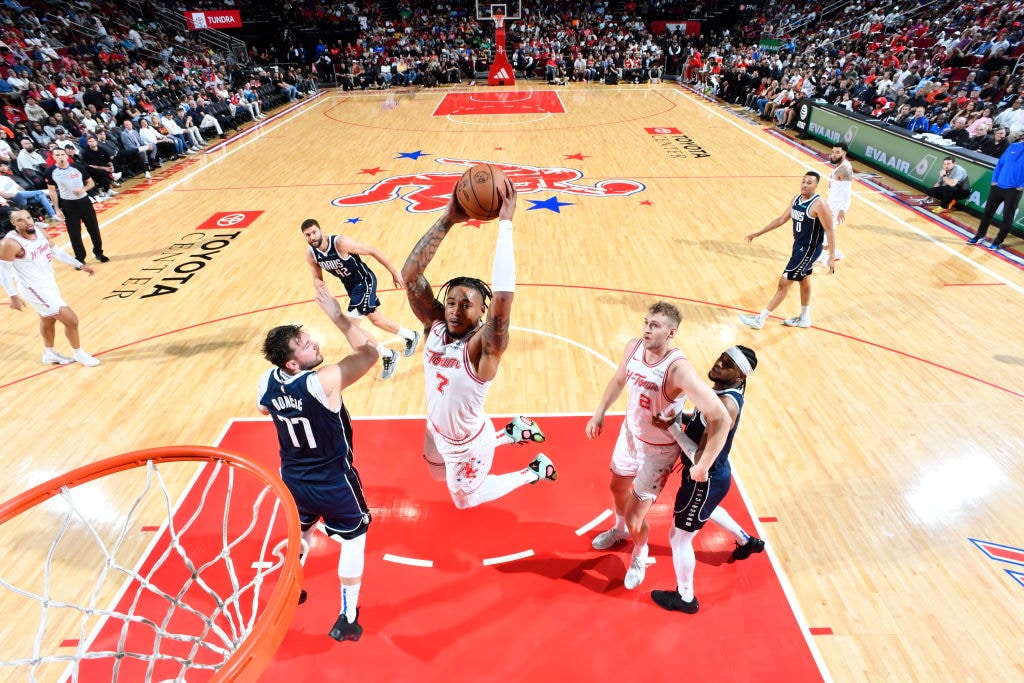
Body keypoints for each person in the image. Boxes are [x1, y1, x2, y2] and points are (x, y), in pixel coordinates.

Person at [400, 181, 555, 510]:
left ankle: (534, 470)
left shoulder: (484, 346)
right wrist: (447, 219)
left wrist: (505, 226)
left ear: (482, 312)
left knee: (463, 500)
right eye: (451, 302)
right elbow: (410, 274)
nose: (455, 310)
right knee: (436, 475)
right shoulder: (436, 326)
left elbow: (502, 297)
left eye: (466, 305)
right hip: (438, 428)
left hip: (468, 444)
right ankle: (513, 433)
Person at [256, 282, 381, 642]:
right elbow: (371, 353)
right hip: (333, 481)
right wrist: (341, 319)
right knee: (355, 540)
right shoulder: (323, 382)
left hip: (293, 478)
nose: (316, 344)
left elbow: (263, 408)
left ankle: (289, 591)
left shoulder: (268, 379)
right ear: (293, 363)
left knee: (303, 531)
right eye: (307, 345)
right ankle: (347, 615)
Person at [585, 302, 731, 590]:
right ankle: (619, 531)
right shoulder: (633, 347)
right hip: (630, 435)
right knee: (616, 488)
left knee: (635, 518)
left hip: (658, 452)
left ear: (671, 332)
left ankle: (640, 552)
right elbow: (618, 380)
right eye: (646, 322)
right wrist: (599, 411)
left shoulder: (678, 369)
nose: (647, 329)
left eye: (655, 326)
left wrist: (702, 465)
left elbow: (721, 418)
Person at [650, 346, 764, 614]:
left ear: (740, 376)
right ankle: (748, 542)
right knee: (707, 511)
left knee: (678, 538)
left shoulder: (726, 404)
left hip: (705, 478)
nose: (719, 365)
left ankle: (685, 598)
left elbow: (700, 455)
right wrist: (682, 417)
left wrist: (673, 428)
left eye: (727, 364)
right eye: (720, 358)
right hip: (716, 477)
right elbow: (703, 421)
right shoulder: (725, 393)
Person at [302, 218, 414, 379]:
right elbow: (317, 277)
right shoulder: (311, 254)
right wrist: (319, 285)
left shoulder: (340, 243)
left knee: (351, 326)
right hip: (351, 287)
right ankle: (411, 336)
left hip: (364, 281)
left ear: (320, 231)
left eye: (314, 232)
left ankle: (387, 354)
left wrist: (395, 272)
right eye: (307, 235)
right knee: (377, 320)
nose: (312, 237)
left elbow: (372, 250)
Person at [0, 209, 101, 366]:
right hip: (33, 288)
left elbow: (56, 252)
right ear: (13, 223)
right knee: (71, 320)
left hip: (49, 283)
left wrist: (79, 265)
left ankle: (49, 353)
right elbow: (3, 272)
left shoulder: (39, 232)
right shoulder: (10, 243)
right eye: (20, 220)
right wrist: (12, 295)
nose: (27, 221)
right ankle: (79, 353)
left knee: (48, 320)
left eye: (28, 217)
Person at [739, 171, 836, 330]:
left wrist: (831, 256)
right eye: (803, 181)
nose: (805, 185)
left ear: (816, 185)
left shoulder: (819, 204)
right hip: (798, 246)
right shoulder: (796, 199)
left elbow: (830, 230)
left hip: (809, 250)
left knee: (784, 283)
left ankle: (760, 319)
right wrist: (759, 233)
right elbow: (781, 219)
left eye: (809, 182)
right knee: (804, 280)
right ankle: (804, 318)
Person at [45, 147, 108, 264]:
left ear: (66, 155)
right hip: (68, 205)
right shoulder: (50, 172)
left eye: (62, 154)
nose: (60, 157)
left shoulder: (78, 167)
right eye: (57, 155)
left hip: (84, 202)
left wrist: (83, 189)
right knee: (74, 233)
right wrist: (57, 208)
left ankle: (99, 253)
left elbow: (91, 182)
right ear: (53, 157)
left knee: (93, 229)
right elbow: (52, 191)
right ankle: (80, 257)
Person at [968, 137, 1024, 251]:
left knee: (1007, 218)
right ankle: (980, 235)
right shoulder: (1014, 146)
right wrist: (994, 180)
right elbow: (1000, 164)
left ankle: (998, 241)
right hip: (998, 186)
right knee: (987, 212)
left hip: (1013, 190)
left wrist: (1022, 186)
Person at [817, 142, 851, 265]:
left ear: (844, 153)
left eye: (837, 152)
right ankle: (833, 252)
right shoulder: (839, 166)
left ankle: (823, 255)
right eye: (833, 152)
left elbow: (847, 192)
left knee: (826, 229)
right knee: (826, 228)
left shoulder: (845, 169)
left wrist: (842, 209)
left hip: (837, 206)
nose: (834, 154)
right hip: (832, 203)